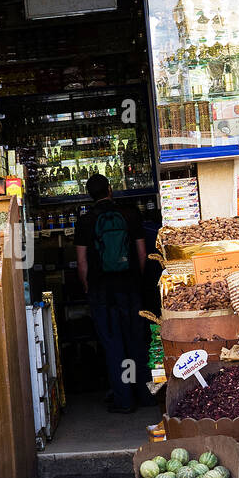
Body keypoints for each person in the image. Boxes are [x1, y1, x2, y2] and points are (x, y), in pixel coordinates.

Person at [74, 174, 150, 413]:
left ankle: (124, 398)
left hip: (102, 292)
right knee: (136, 340)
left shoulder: (86, 221)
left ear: (89, 194)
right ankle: (145, 394)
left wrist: (88, 288)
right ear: (110, 189)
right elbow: (142, 254)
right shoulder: (130, 214)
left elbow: (82, 262)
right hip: (129, 288)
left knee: (114, 344)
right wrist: (137, 281)